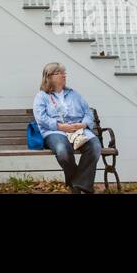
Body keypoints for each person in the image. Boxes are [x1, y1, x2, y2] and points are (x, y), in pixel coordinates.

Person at [32, 62, 102, 194]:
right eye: (59, 73)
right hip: (55, 131)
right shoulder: (41, 96)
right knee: (63, 151)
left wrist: (83, 124)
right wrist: (60, 126)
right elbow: (41, 118)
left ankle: (77, 184)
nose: (64, 75)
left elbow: (88, 112)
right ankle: (80, 183)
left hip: (78, 130)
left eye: (64, 72)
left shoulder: (74, 94)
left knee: (95, 147)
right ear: (49, 77)